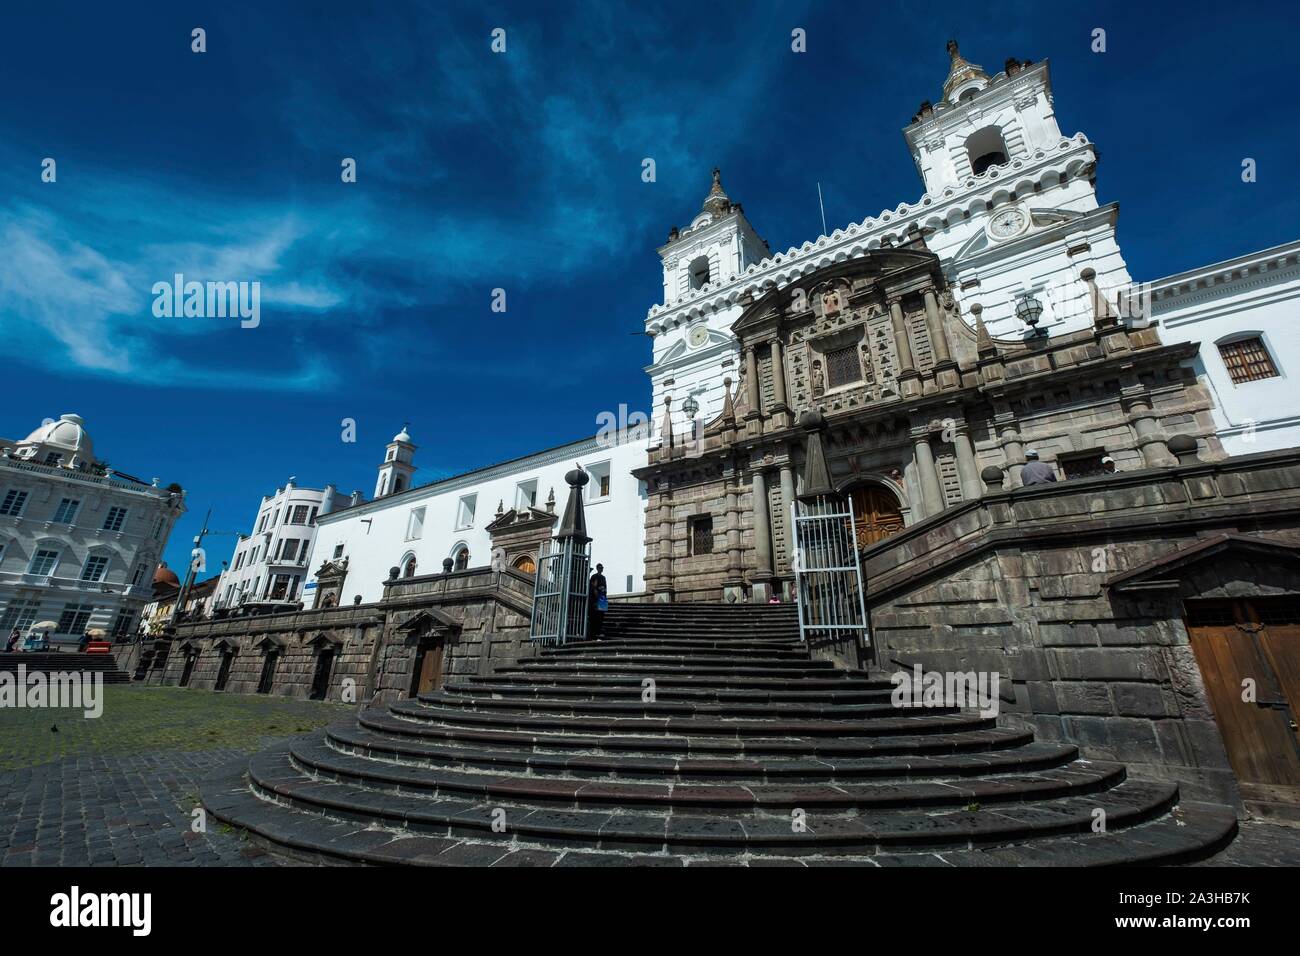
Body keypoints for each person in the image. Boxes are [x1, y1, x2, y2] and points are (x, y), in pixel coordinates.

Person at [588, 563, 608, 640]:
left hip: (602, 597)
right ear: (597, 568)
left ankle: (599, 630)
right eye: (600, 568)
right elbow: (593, 587)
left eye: (602, 568)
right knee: (596, 615)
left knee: (601, 615)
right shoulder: (594, 576)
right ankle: (595, 631)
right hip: (597, 598)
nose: (601, 569)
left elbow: (605, 588)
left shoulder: (603, 577)